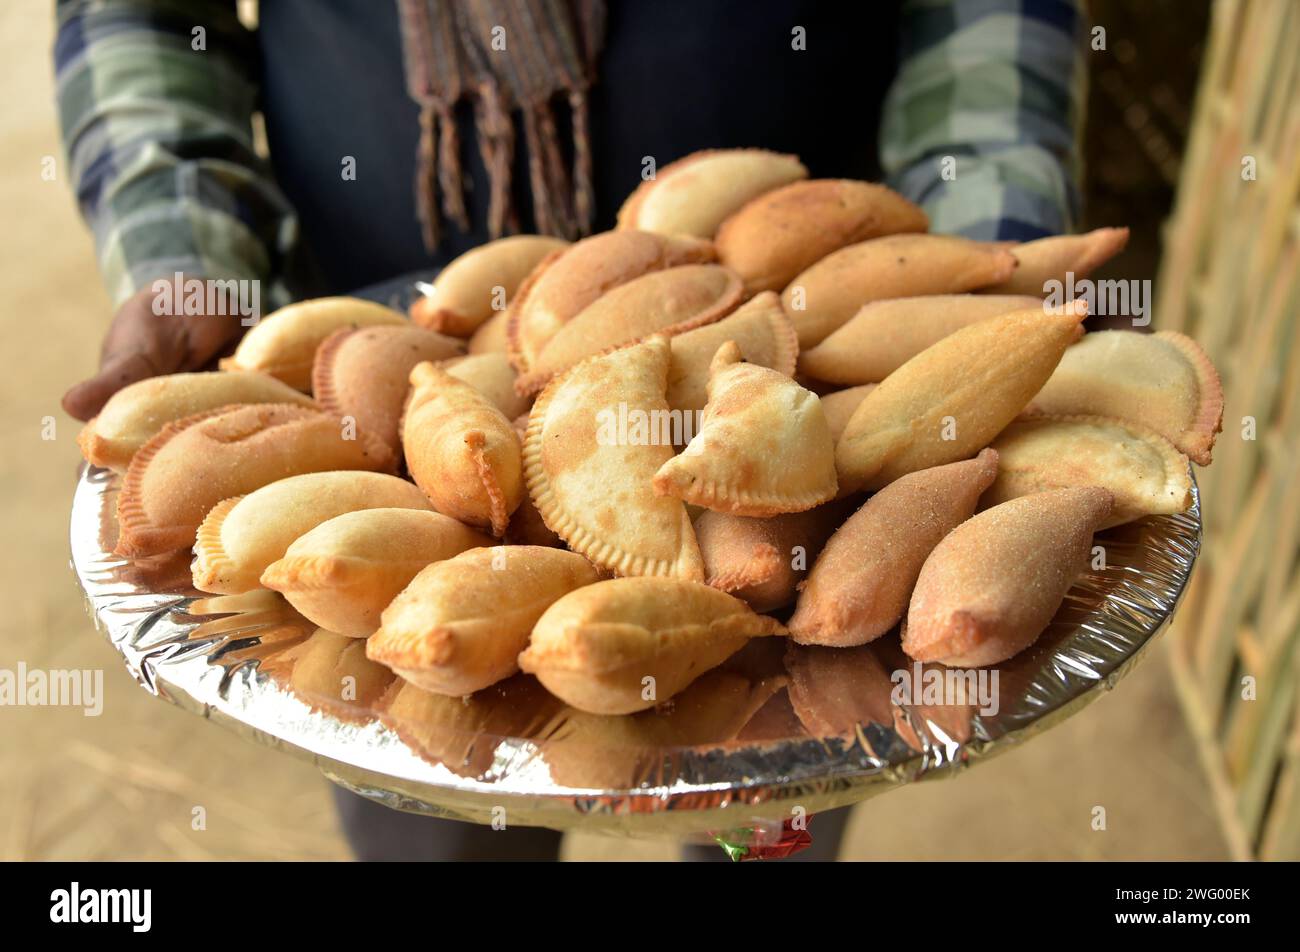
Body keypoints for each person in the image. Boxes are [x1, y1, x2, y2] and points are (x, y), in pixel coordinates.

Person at [55, 0, 1086, 860]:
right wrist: (182, 239)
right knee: (431, 782)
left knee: (775, 794)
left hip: (815, 342)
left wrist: (990, 260)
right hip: (391, 357)